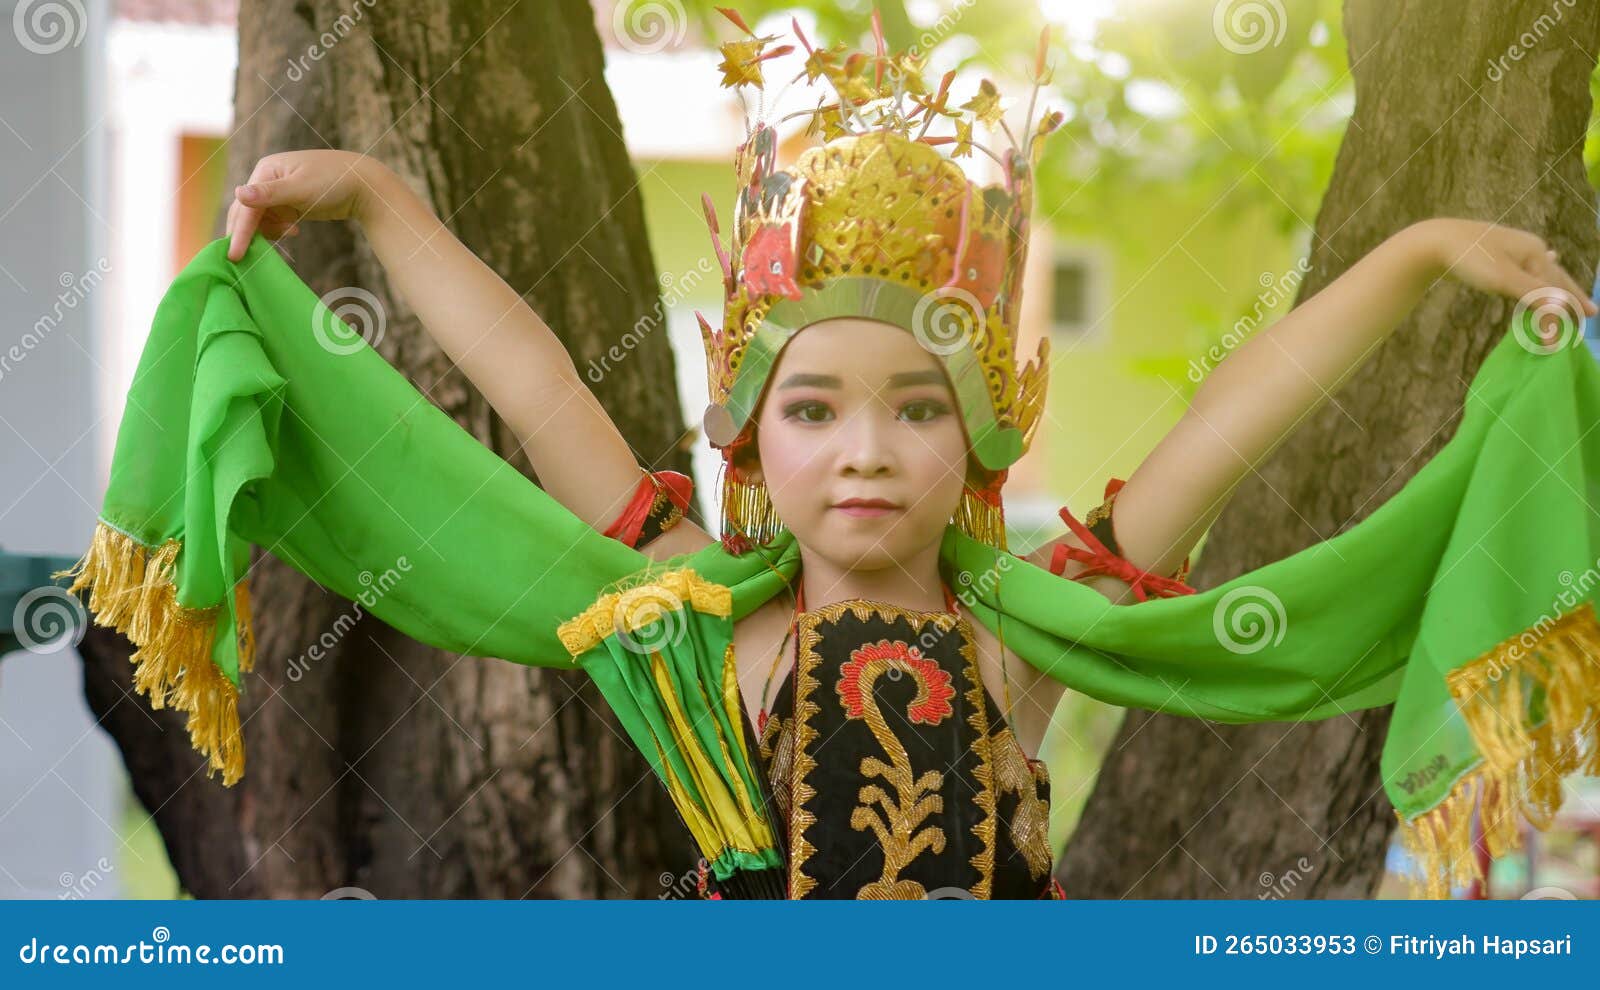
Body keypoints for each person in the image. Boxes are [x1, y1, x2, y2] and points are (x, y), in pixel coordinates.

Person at [59, 13, 1600, 899]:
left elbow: (1234, 412)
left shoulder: (1031, 624)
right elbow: (534, 382)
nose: (867, 451)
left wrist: (1418, 254)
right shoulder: (687, 612)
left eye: (917, 406)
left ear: (982, 431)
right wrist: (382, 204)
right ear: (747, 433)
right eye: (815, 408)